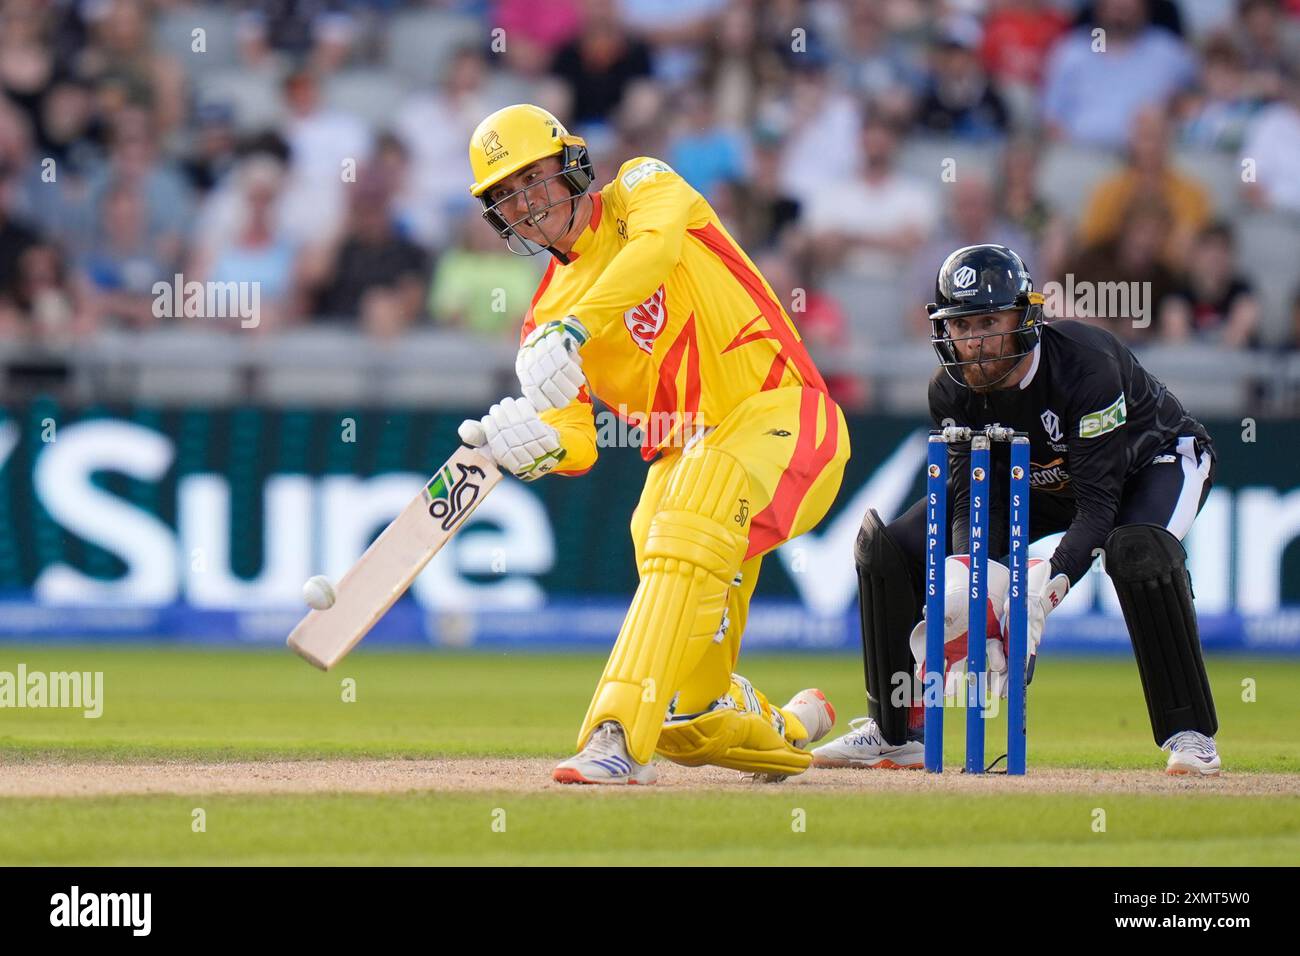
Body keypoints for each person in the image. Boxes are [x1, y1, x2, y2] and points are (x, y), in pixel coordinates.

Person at [457, 104, 849, 784]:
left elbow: (657, 249)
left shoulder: (643, 186)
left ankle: (614, 735)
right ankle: (789, 725)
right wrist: (532, 444)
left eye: (533, 180)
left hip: (787, 419)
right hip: (692, 461)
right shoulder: (543, 320)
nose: (524, 203)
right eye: (505, 195)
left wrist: (577, 327)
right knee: (690, 718)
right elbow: (579, 437)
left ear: (571, 164)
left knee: (692, 493)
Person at [814, 244, 1223, 776]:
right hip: (1039, 483)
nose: (975, 342)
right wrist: (970, 590)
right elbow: (965, 502)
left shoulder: (1086, 366)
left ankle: (1190, 734)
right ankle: (895, 733)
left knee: (1137, 549)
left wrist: (1041, 592)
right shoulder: (951, 392)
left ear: (1025, 318)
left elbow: (1099, 509)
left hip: (1153, 463)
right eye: (961, 326)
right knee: (891, 548)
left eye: (989, 320)